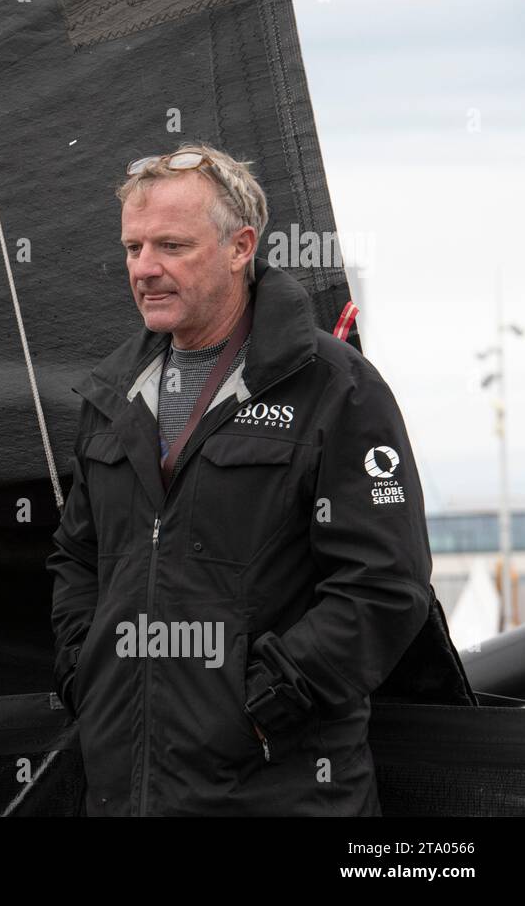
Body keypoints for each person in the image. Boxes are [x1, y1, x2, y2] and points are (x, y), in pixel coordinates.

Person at [48, 142, 437, 815]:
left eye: (170, 245)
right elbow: (78, 558)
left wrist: (262, 703)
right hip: (126, 791)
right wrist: (89, 672)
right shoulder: (112, 396)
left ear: (240, 247)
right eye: (133, 248)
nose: (145, 269)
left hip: (279, 791)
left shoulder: (334, 387)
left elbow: (385, 585)